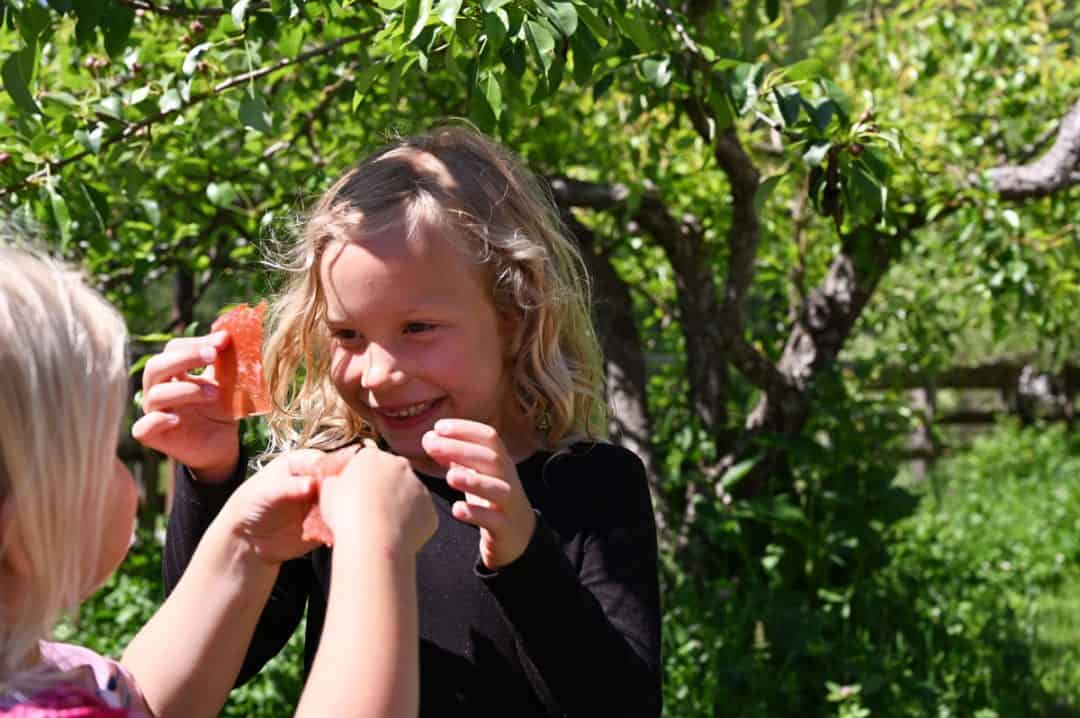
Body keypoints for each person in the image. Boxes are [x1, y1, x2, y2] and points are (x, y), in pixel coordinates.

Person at [136, 126, 663, 717]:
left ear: (514, 317)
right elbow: (224, 659)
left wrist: (523, 553)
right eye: (347, 335)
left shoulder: (593, 484)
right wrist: (210, 475)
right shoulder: (335, 483)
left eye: (418, 329)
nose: (379, 374)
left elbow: (626, 706)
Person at [0, 243, 437, 718]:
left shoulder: (39, 671)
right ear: (24, 519)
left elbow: (144, 704)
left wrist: (243, 539)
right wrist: (375, 544)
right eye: (108, 452)